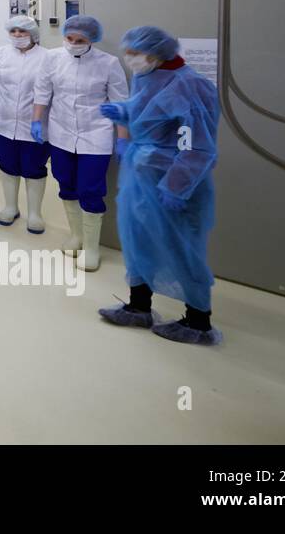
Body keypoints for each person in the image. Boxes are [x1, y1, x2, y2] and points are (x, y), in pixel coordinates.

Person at [97, 26, 221, 345]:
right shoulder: (148, 76)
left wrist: (176, 186)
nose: (130, 59)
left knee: (180, 247)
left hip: (172, 181)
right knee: (136, 239)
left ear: (153, 55)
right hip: (140, 176)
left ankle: (198, 322)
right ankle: (139, 307)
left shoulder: (191, 86)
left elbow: (197, 147)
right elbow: (148, 111)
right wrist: (123, 112)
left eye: (134, 54)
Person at [32, 15, 128, 270]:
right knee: (65, 182)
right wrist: (36, 121)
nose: (73, 43)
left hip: (95, 135)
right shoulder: (52, 58)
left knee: (91, 189)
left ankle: (92, 248)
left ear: (92, 40)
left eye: (80, 40)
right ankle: (76, 236)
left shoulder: (108, 63)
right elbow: (42, 92)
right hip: (61, 132)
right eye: (69, 38)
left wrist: (122, 140)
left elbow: (120, 104)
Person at [0, 15, 49, 234]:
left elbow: (50, 91)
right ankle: (10, 207)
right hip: (0, 122)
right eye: (13, 31)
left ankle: (35, 214)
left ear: (33, 34)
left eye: (22, 31)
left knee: (33, 167)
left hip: (35, 125)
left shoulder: (48, 57)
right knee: (8, 165)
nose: (17, 35)